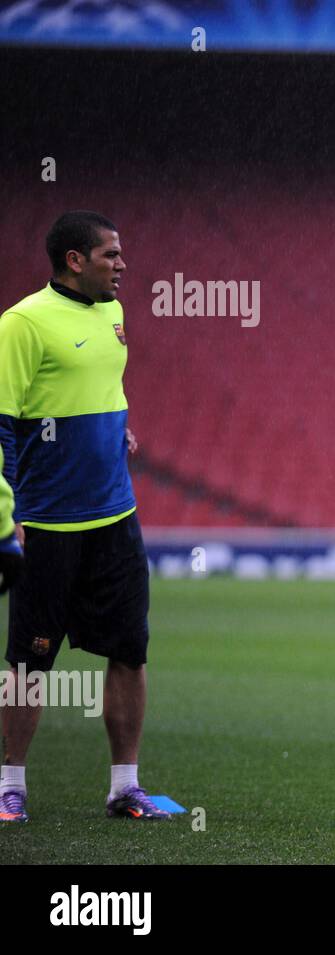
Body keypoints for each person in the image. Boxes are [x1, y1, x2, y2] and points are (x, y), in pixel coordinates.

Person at [0, 211, 169, 824]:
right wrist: (5, 519)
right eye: (110, 256)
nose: (122, 265)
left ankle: (124, 786)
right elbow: (2, 424)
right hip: (48, 525)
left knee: (130, 649)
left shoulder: (113, 314)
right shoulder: (22, 324)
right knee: (29, 662)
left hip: (115, 518)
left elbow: (104, 389)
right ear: (75, 260)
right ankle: (9, 784)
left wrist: (116, 430)